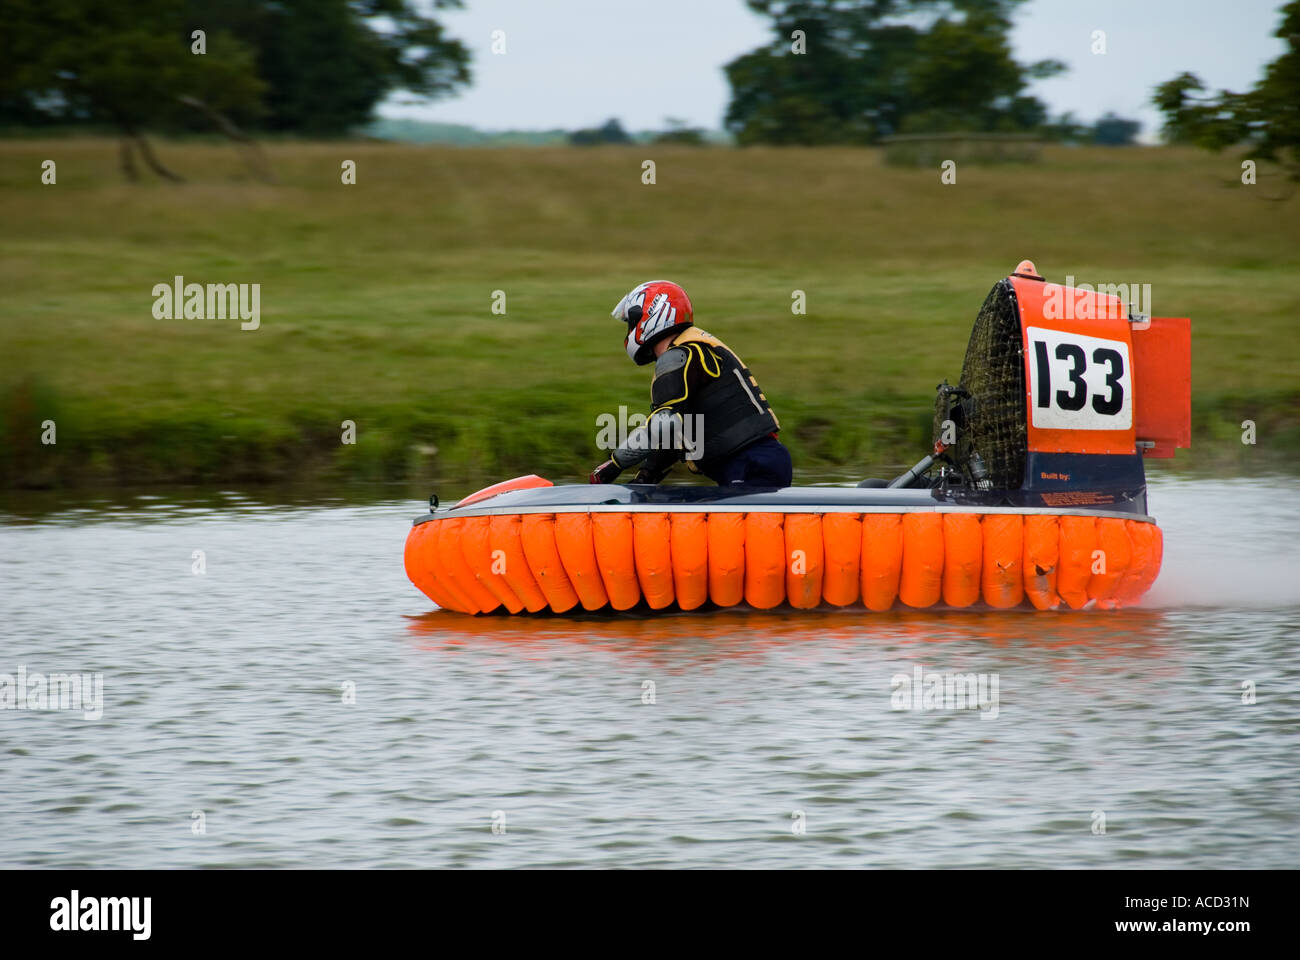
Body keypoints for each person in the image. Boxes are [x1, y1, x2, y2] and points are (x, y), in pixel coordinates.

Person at [589, 280, 793, 487]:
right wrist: (646, 475)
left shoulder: (678, 356)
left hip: (749, 463)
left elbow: (664, 424)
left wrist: (615, 464)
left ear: (652, 316)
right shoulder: (689, 351)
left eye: (631, 322)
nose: (630, 329)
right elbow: (676, 430)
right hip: (759, 460)